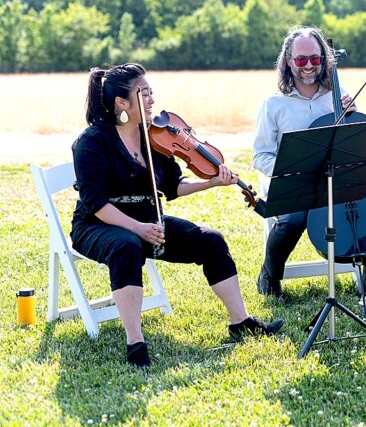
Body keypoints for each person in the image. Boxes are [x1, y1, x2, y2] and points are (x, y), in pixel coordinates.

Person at [71, 63, 284, 369]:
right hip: (98, 225)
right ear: (121, 102)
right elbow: (96, 204)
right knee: (126, 246)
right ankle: (135, 341)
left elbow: (173, 186)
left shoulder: (154, 138)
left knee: (211, 240)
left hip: (148, 222)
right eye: (143, 94)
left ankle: (241, 321)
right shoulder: (93, 141)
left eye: (151, 93)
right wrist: (139, 229)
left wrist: (211, 181)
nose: (151, 100)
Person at [252, 26, 366, 300]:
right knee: (294, 219)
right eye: (301, 60)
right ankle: (270, 274)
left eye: (315, 58)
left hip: (333, 179)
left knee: (361, 205)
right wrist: (287, 171)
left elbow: (353, 145)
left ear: (324, 59)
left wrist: (352, 118)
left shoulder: (337, 93)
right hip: (296, 183)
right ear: (288, 61)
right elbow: (260, 156)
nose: (309, 66)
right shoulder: (274, 104)